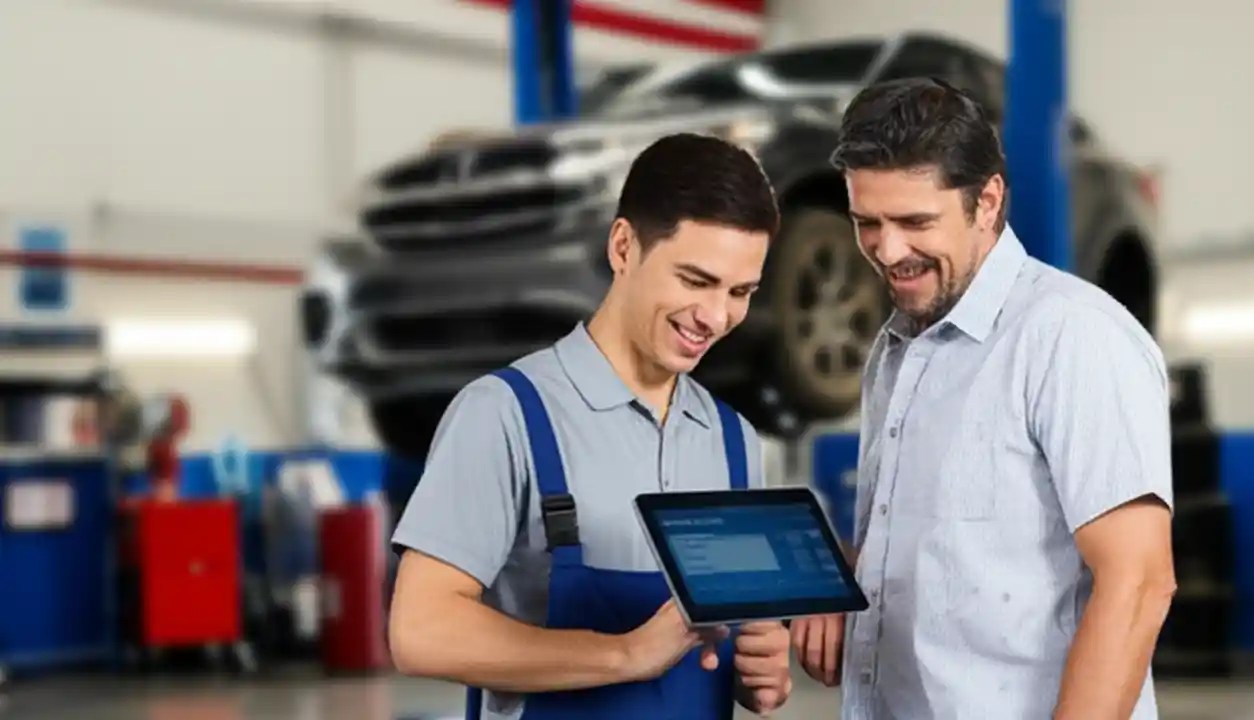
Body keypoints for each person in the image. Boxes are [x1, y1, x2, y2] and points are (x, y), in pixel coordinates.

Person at [789, 77, 1177, 719]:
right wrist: (834, 583)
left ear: (988, 201)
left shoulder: (1070, 336)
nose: (888, 250)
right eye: (867, 224)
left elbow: (1138, 583)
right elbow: (949, 561)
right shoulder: (897, 349)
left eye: (915, 222)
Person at [387, 133, 794, 720]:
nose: (715, 316)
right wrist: (625, 654)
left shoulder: (734, 443)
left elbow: (731, 644)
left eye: (740, 292)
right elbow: (421, 631)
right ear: (623, 247)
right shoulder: (505, 414)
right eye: (695, 280)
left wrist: (758, 667)